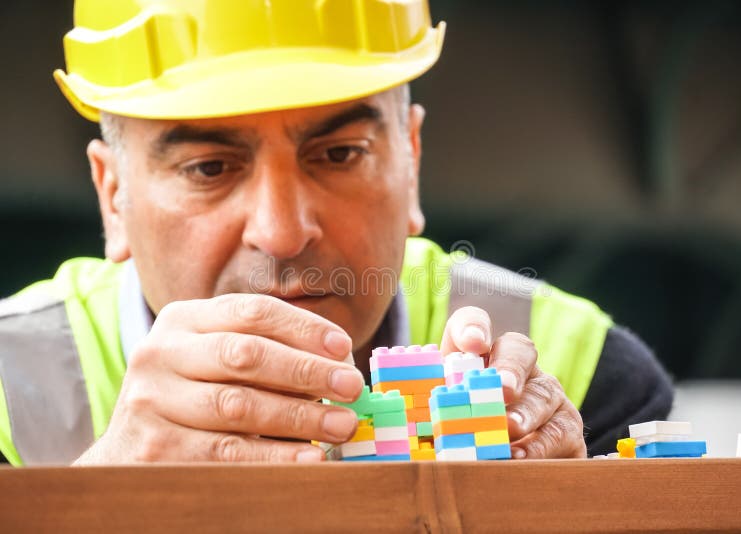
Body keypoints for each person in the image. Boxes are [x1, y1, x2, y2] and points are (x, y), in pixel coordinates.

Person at [0, 0, 672, 466]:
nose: (283, 233)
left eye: (339, 154)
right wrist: (99, 500)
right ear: (112, 197)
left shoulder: (584, 376)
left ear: (410, 164)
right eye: (209, 167)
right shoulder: (12, 389)